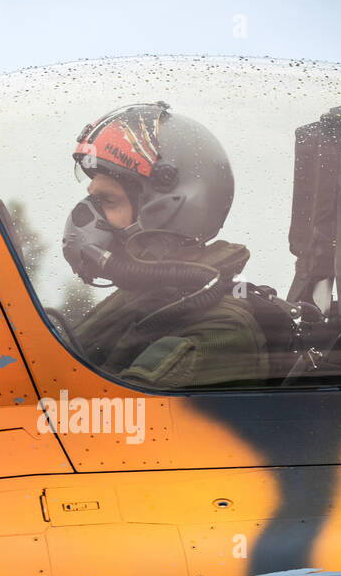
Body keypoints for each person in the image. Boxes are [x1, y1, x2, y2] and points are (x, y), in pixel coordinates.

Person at [60, 102, 271, 390]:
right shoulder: (141, 298)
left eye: (107, 201)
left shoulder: (220, 332)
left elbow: (106, 421)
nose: (85, 215)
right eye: (92, 199)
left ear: (166, 213)